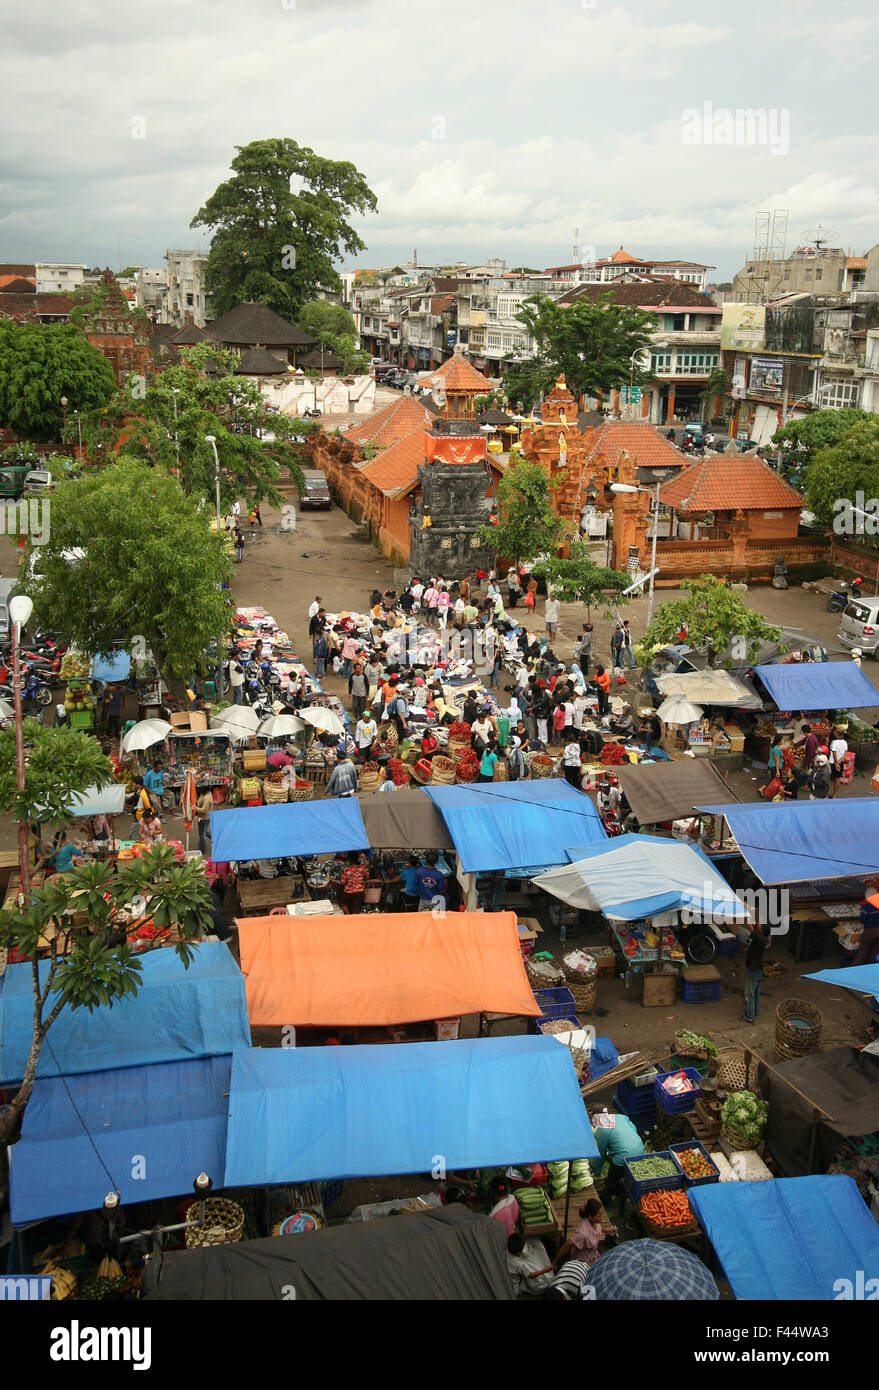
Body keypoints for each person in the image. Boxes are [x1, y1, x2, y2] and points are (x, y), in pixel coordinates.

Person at [591, 1110, 645, 1208]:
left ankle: (606, 1198)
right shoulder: (620, 1117)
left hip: (624, 1157)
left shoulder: (602, 1131)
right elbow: (633, 1128)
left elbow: (601, 1153)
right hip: (640, 1149)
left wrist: (596, 1170)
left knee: (612, 1177)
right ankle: (620, 1190)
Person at [743, 921, 767, 1023]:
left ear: (762, 930)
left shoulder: (761, 939)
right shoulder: (760, 938)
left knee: (750, 993)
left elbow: (753, 932)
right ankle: (755, 1011)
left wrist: (750, 926)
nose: (758, 924)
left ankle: (749, 1016)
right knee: (756, 991)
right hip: (757, 969)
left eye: (760, 925)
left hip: (754, 969)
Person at [830, 727, 848, 799]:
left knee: (828, 779)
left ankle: (826, 795)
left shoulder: (834, 742)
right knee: (837, 779)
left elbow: (834, 753)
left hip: (832, 763)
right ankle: (834, 795)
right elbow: (845, 754)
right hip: (840, 763)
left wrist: (836, 763)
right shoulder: (845, 742)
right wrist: (839, 762)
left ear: (836, 734)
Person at [195, 785, 213, 856]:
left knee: (201, 834)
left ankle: (202, 849)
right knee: (205, 832)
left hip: (204, 818)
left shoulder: (206, 799)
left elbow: (203, 810)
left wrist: (195, 808)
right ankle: (215, 838)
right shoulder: (208, 793)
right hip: (206, 817)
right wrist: (197, 803)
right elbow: (200, 799)